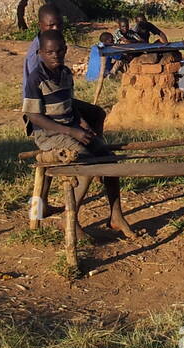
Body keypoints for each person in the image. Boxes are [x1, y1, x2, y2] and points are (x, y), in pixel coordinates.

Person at [23, 29, 133, 235]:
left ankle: (116, 215)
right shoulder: (36, 79)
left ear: (65, 51)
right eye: (49, 52)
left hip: (69, 128)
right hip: (48, 134)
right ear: (40, 53)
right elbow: (34, 117)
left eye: (58, 51)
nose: (54, 55)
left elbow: (69, 105)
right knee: (86, 166)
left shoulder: (65, 73)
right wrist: (71, 131)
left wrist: (82, 124)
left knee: (109, 159)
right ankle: (68, 219)